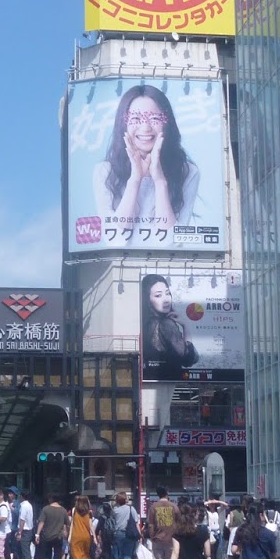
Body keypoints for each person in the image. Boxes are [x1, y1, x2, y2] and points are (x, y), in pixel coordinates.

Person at [93, 85, 202, 242]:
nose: (145, 127)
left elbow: (171, 243)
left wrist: (160, 181)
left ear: (167, 123)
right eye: (136, 119)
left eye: (155, 119)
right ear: (123, 124)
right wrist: (135, 179)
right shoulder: (104, 171)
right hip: (122, 266)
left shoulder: (188, 172)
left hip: (167, 266)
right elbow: (114, 240)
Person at [141, 275, 199, 380]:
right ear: (147, 299)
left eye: (167, 293)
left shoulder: (142, 323)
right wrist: (186, 326)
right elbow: (189, 359)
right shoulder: (166, 324)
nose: (166, 300)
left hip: (145, 379)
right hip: (166, 382)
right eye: (158, 295)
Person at [147, 487, 178, 559]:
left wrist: (152, 537)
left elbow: (150, 525)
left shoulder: (153, 507)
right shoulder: (174, 506)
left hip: (158, 539)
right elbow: (179, 522)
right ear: (167, 493)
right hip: (171, 538)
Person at [35, 495, 70, 559]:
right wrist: (67, 533)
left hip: (47, 536)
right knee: (57, 555)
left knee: (47, 554)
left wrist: (37, 534)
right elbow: (68, 524)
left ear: (51, 499)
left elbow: (41, 522)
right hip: (58, 536)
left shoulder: (46, 509)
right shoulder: (63, 510)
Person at [68, 495, 98, 559]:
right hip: (86, 536)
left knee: (77, 555)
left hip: (76, 535)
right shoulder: (89, 512)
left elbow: (72, 524)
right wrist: (95, 537)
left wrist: (69, 536)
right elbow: (91, 525)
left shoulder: (74, 511)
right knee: (85, 555)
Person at [112, 492, 140, 559]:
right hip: (129, 534)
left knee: (122, 554)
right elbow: (136, 523)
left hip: (118, 534)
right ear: (125, 499)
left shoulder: (115, 510)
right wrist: (139, 534)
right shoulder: (131, 509)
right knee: (128, 555)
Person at [11, 488, 36, 559]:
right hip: (28, 530)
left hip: (25, 530)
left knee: (25, 550)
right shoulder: (29, 505)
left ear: (22, 497)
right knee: (24, 550)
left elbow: (22, 520)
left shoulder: (24, 506)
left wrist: (19, 532)